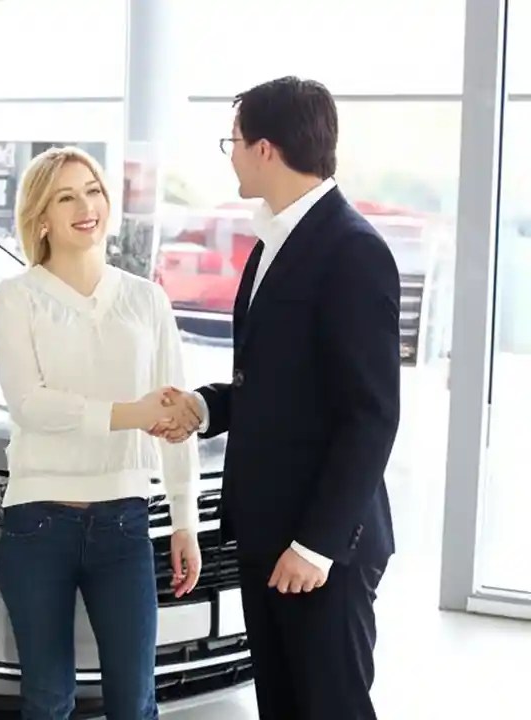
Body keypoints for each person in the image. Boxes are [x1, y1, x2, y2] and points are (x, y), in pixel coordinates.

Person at [161, 77, 400, 720]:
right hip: (269, 534)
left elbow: (371, 414)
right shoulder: (276, 239)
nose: (231, 155)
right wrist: (205, 407)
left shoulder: (352, 250)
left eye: (232, 142)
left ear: (266, 148)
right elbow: (277, 381)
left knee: (331, 707)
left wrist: (317, 544)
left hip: (318, 547)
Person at [0, 145, 204, 720]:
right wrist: (133, 413)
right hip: (37, 525)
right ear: (41, 216)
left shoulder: (145, 298)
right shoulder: (16, 298)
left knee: (135, 702)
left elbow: (176, 412)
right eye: (66, 196)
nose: (86, 206)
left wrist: (185, 520)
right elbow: (31, 405)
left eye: (93, 190)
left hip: (125, 523)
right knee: (48, 698)